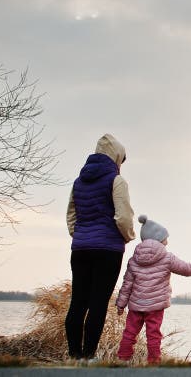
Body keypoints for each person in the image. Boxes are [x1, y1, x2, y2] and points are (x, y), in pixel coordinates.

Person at [65, 133, 135, 361]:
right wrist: (127, 236)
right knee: (97, 304)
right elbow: (123, 217)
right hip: (107, 251)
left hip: (81, 249)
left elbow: (71, 216)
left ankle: (74, 356)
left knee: (78, 302)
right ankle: (88, 357)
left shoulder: (78, 181)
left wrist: (80, 236)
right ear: (116, 157)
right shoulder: (117, 181)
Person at [115, 215, 191, 364]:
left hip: (135, 305)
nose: (167, 241)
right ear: (159, 239)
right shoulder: (167, 257)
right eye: (165, 238)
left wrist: (121, 304)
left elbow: (127, 284)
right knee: (153, 335)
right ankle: (153, 363)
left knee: (129, 333)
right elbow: (187, 269)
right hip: (155, 306)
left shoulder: (134, 260)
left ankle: (122, 359)